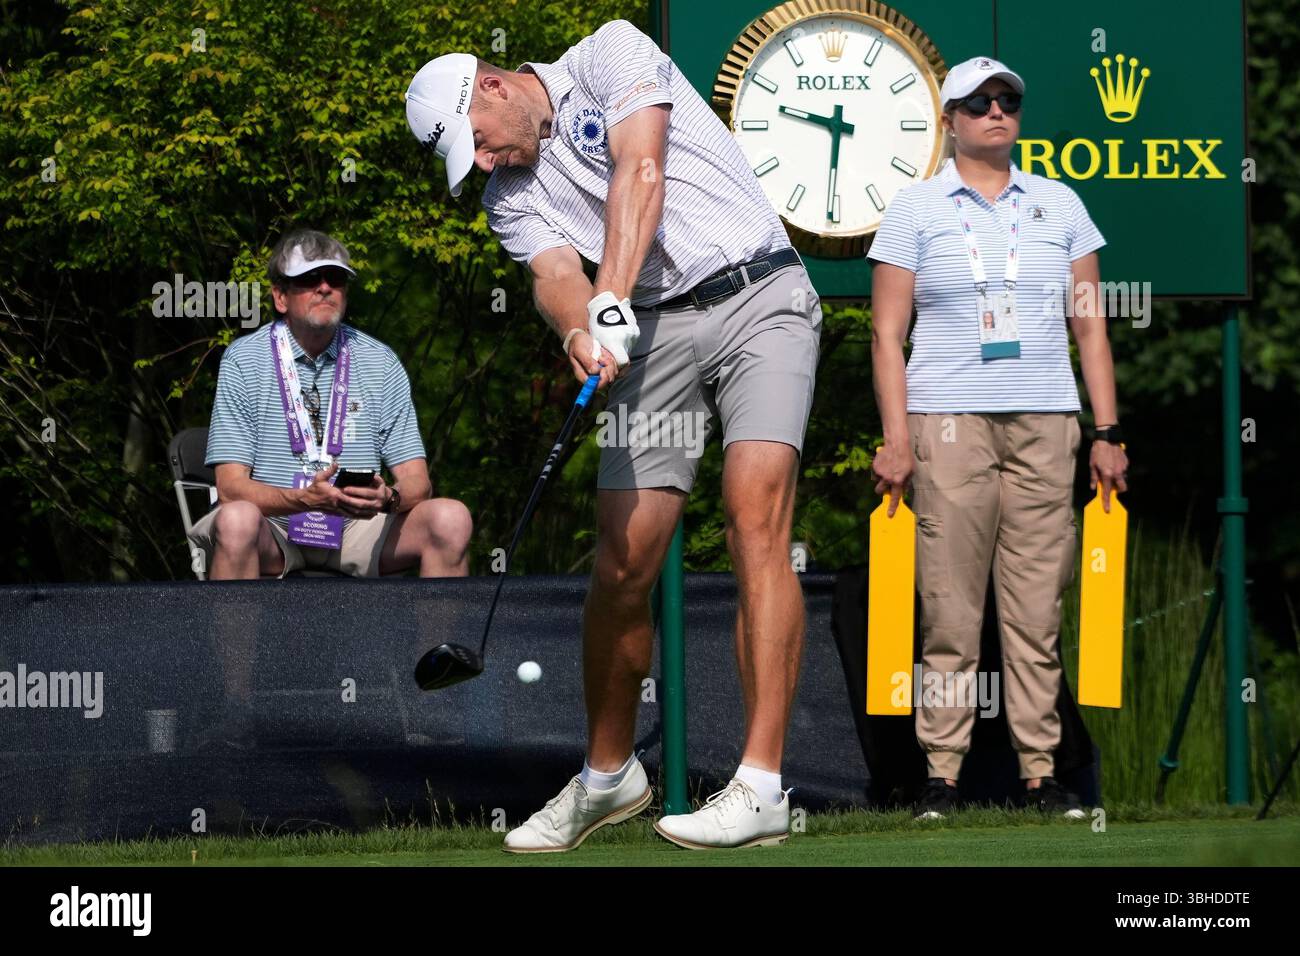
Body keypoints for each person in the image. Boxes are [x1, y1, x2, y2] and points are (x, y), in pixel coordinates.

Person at [404, 19, 822, 851]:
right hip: (654, 332)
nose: (485, 165)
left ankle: (763, 785)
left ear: (491, 86)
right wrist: (580, 332)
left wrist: (613, 301)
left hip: (758, 296)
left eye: (479, 144)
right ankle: (607, 776)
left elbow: (642, 170)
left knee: (753, 517)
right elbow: (557, 274)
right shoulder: (509, 193)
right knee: (623, 562)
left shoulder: (610, 52)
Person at [868, 57, 1128, 820]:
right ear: (949, 118)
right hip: (947, 420)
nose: (996, 111)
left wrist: (1107, 432)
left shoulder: (1060, 203)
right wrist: (896, 438)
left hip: (1049, 419)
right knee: (949, 612)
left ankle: (1042, 774)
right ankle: (941, 776)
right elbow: (887, 335)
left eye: (1008, 99)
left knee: (1037, 610)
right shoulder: (914, 208)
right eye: (978, 102)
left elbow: (1091, 325)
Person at [189, 227, 472, 580]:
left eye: (335, 279)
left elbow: (418, 482)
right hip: (274, 529)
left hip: (357, 529)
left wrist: (388, 498)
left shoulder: (379, 361)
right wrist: (302, 499)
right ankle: (235, 638)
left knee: (451, 518)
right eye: (309, 279)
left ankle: (442, 638)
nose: (325, 287)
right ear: (280, 297)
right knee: (236, 520)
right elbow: (231, 487)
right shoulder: (244, 360)